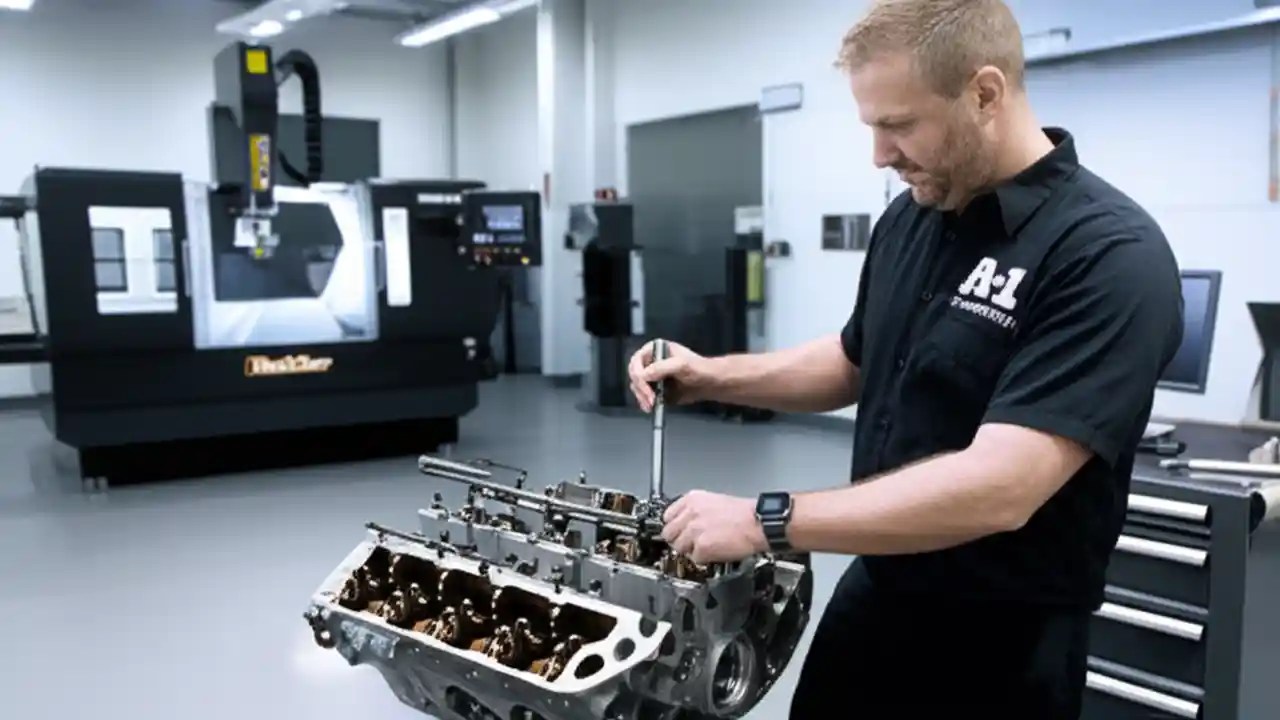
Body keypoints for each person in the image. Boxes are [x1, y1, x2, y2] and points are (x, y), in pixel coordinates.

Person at [626, 0, 1184, 717]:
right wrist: (711, 376)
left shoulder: (1106, 254)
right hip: (879, 594)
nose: (880, 156)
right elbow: (856, 359)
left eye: (898, 125)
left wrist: (766, 520)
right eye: (872, 127)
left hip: (1001, 644)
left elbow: (1002, 486)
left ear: (985, 93)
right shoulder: (916, 215)